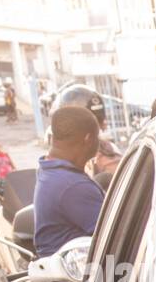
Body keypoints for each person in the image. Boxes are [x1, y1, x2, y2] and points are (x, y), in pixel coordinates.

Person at [33, 106, 104, 260]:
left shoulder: (49, 168)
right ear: (88, 139)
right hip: (82, 280)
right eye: (97, 136)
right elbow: (116, 235)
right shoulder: (73, 187)